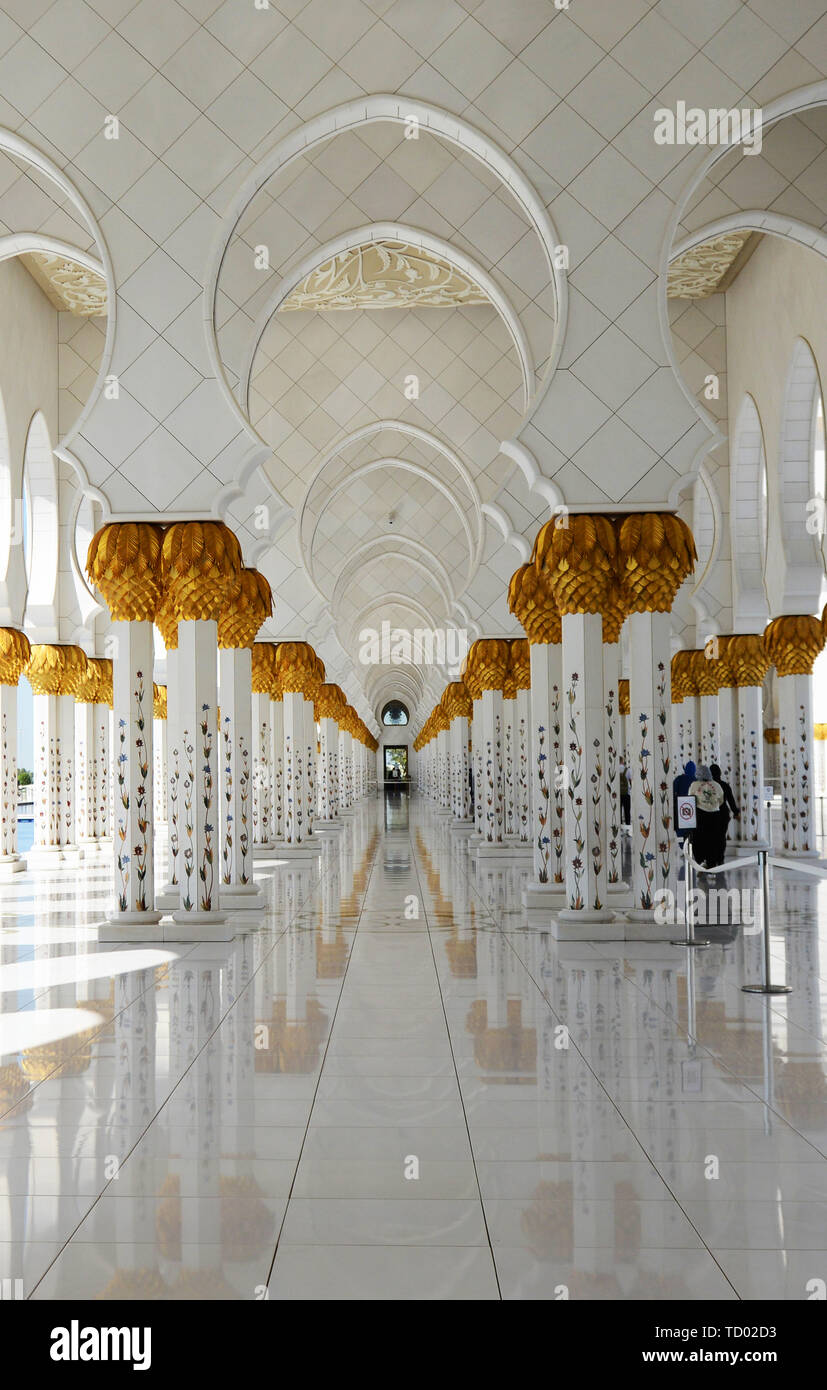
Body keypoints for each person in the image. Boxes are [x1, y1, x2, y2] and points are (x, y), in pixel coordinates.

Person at [687, 764, 723, 867]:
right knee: (713, 839)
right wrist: (712, 805)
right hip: (715, 815)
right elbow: (721, 799)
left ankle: (700, 861)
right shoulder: (716, 785)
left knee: (699, 838)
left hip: (700, 815)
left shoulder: (694, 785)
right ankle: (711, 863)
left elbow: (690, 799)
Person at [709, 763, 739, 867]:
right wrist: (736, 812)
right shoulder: (725, 785)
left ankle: (711, 859)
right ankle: (720, 858)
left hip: (710, 816)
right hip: (723, 815)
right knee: (721, 837)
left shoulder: (708, 786)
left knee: (711, 837)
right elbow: (731, 801)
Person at [672, 760, 696, 840]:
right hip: (693, 811)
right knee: (692, 832)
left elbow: (672, 792)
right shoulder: (697, 781)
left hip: (680, 810)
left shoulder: (679, 779)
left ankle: (682, 848)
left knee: (681, 833)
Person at [619, 758, 630, 829]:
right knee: (627, 810)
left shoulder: (615, 769)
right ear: (622, 761)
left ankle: (619, 825)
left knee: (618, 810)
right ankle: (628, 826)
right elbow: (630, 780)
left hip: (618, 794)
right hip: (626, 793)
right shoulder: (627, 770)